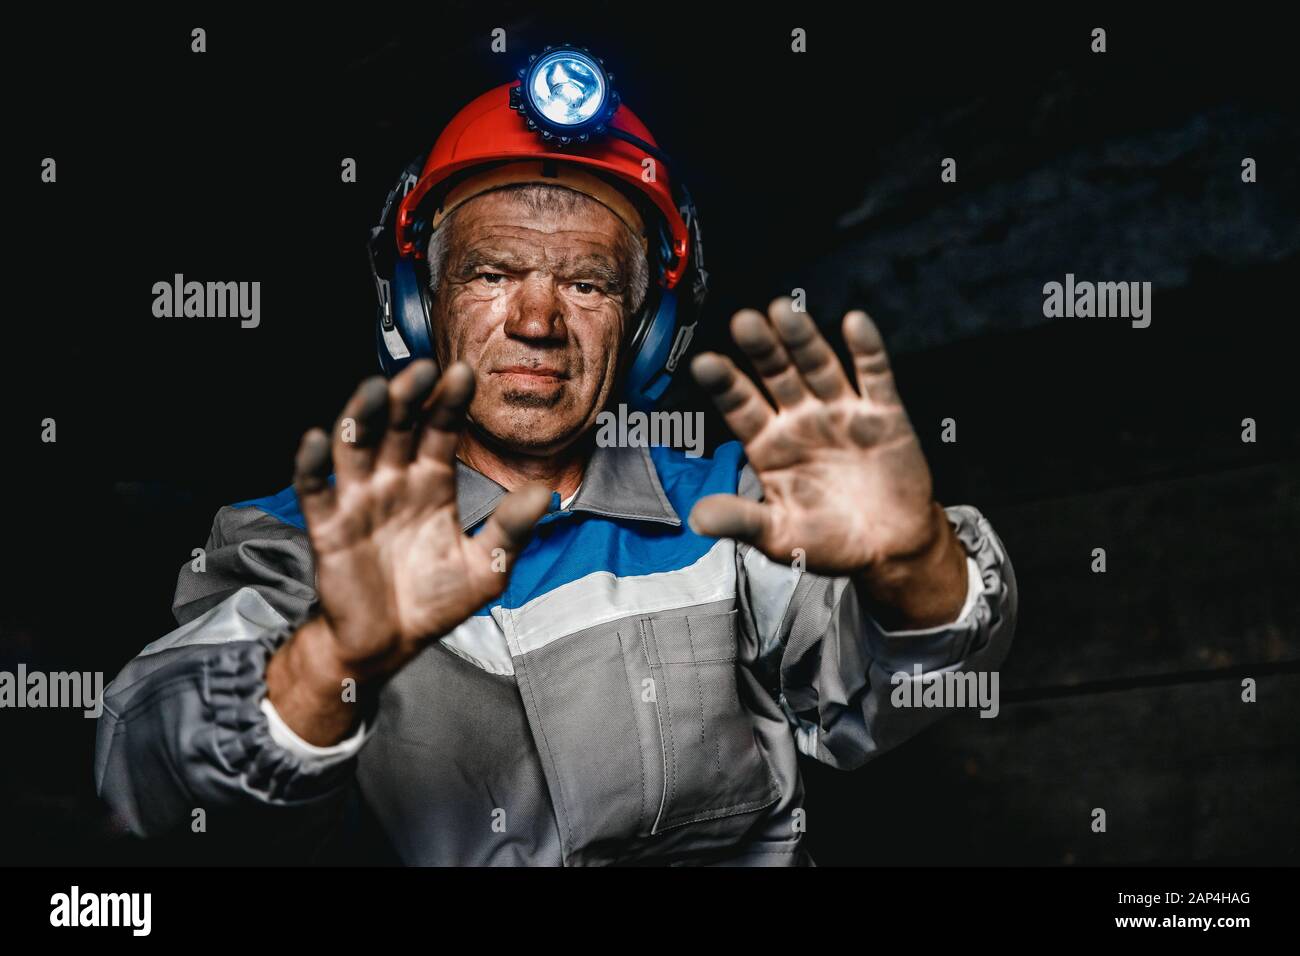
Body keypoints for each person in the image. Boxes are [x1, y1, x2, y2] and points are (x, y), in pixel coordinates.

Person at [95, 50, 1018, 866]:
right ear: (419, 305)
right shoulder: (299, 542)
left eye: (585, 284)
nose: (537, 322)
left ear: (648, 331)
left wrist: (917, 565)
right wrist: (329, 658)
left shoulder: (735, 511)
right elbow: (152, 796)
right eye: (493, 275)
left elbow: (881, 697)